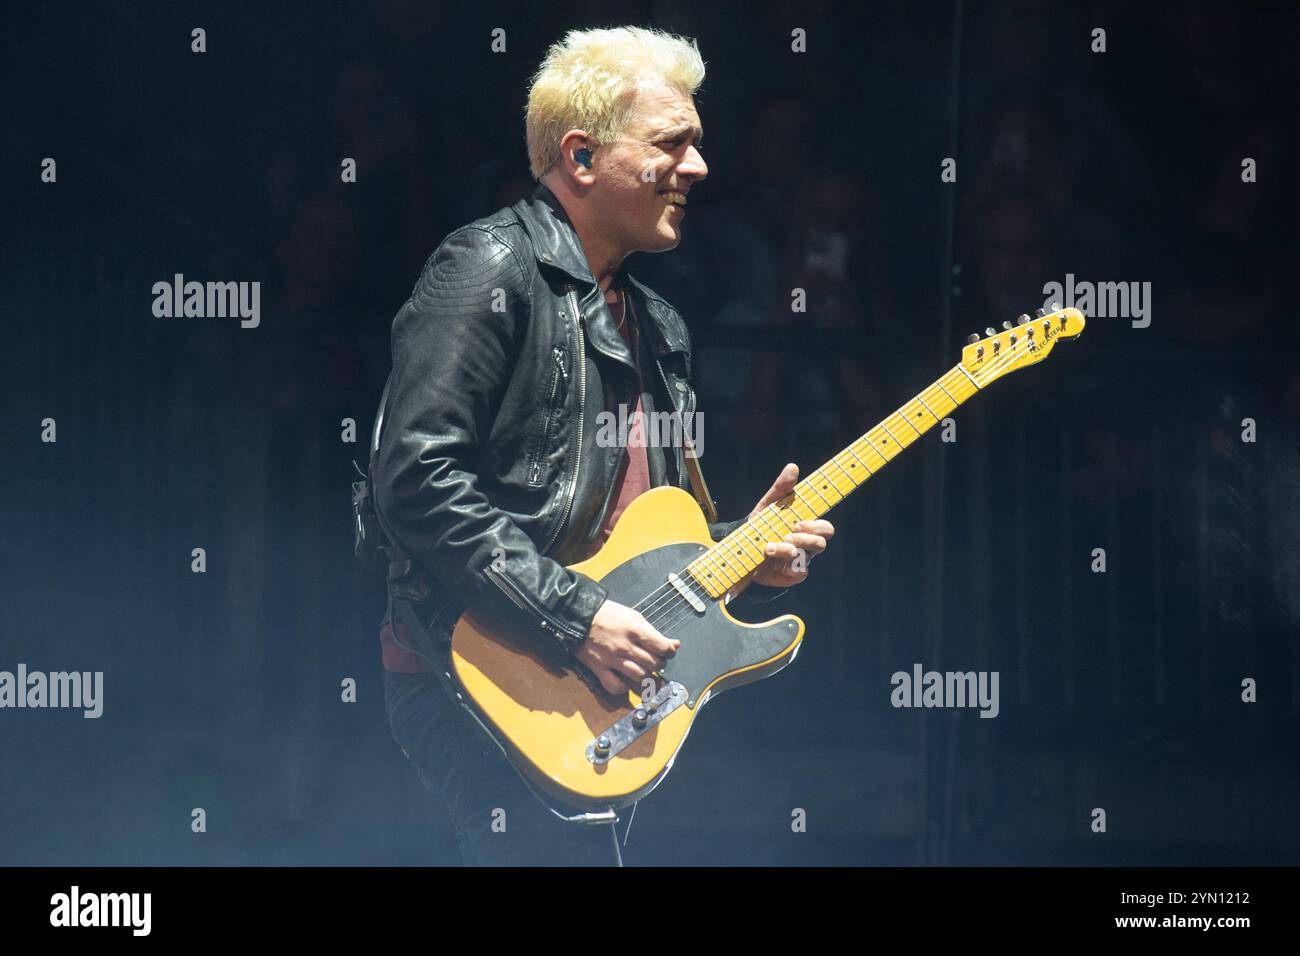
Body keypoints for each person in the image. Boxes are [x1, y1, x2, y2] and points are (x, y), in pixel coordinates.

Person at [373, 25, 835, 866]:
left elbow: (642, 541)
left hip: (603, 683)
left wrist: (742, 552)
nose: (698, 168)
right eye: (672, 144)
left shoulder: (660, 328)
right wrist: (578, 617)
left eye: (697, 145)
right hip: (482, 671)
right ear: (580, 157)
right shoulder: (489, 267)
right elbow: (413, 476)